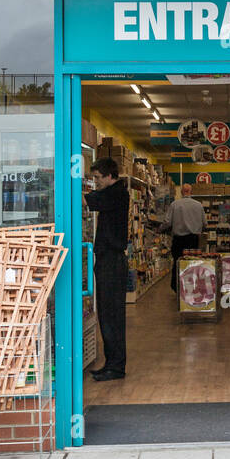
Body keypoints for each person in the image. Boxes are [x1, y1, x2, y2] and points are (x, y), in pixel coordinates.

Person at [84, 157, 130, 382]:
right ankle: (111, 363)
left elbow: (91, 200)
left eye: (97, 177)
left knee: (112, 315)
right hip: (108, 260)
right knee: (107, 314)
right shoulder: (114, 193)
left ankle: (116, 366)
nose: (95, 182)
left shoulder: (117, 193)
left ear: (110, 176)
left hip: (112, 261)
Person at [165, 182, 207, 291]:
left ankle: (177, 287)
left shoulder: (175, 204)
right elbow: (205, 224)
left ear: (181, 192)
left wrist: (159, 229)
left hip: (179, 240)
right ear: (191, 192)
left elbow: (168, 222)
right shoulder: (198, 205)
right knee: (192, 263)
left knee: (178, 262)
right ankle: (191, 287)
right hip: (193, 239)